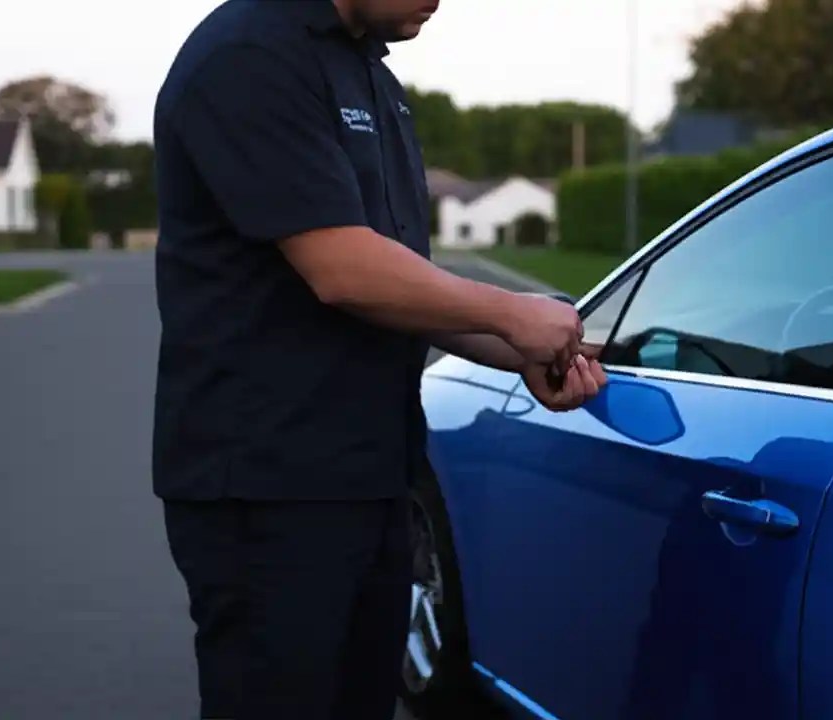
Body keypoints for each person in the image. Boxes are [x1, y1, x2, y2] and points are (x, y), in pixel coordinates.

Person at [151, 0, 608, 718]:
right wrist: (515, 313)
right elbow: (345, 271)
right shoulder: (249, 56)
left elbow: (400, 288)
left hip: (372, 479)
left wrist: (521, 352)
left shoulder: (370, 71)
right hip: (269, 492)